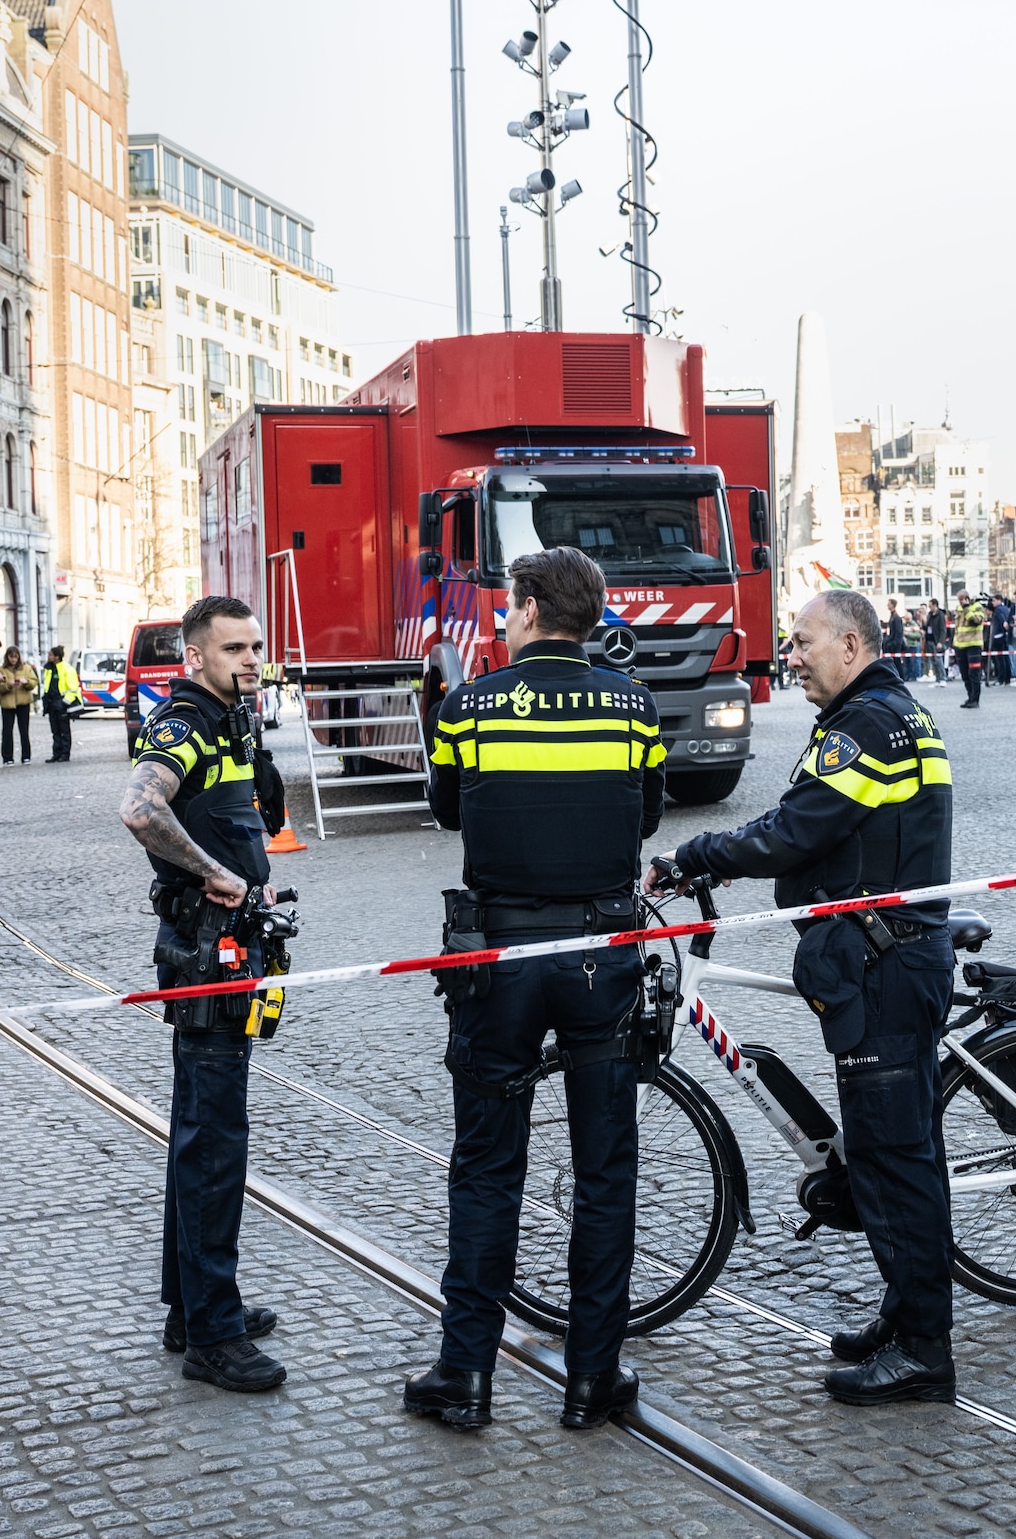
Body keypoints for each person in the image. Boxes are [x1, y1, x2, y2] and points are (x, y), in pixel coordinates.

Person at [651, 587, 958, 1406]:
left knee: (895, 1165)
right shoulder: (886, 711)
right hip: (883, 961)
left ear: (851, 645)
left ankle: (925, 1351)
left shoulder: (866, 725)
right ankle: (904, 1315)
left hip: (885, 969)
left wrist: (698, 854)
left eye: (802, 642)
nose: (791, 655)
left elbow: (796, 829)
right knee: (893, 1155)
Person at [406, 547, 665, 1434]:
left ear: (523, 609)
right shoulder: (632, 703)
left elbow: (446, 807)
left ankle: (465, 1374)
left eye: (506, 604)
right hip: (602, 953)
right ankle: (593, 1377)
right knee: (605, 1170)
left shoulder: (468, 704)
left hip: (499, 957)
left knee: (485, 1166)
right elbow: (649, 813)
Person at [118, 595, 288, 1394]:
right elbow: (140, 806)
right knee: (214, 1140)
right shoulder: (183, 720)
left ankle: (194, 1305)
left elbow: (244, 811)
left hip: (235, 948)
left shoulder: (234, 717)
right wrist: (213, 871)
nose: (249, 658)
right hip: (206, 954)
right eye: (232, 649)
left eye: (255, 646)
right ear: (194, 656)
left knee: (202, 1130)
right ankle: (213, 1337)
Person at [0, 644, 39, 764]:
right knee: (7, 731)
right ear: (7, 657)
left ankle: (26, 756)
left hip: (23, 702)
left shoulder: (26, 668)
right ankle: (7, 757)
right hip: (8, 704)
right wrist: (9, 685)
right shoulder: (1, 670)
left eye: (15, 657)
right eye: (11, 657)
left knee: (24, 730)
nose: (13, 659)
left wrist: (27, 682)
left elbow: (34, 682)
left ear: (19, 657)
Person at [950, 588, 989, 708]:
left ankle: (975, 699)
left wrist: (966, 608)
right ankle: (970, 697)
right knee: (965, 674)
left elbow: (976, 621)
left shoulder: (977, 607)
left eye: (962, 599)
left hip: (973, 646)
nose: (960, 602)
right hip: (960, 646)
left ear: (967, 598)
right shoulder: (958, 609)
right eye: (959, 600)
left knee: (974, 674)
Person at [44, 644, 80, 763]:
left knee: (64, 730)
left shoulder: (67, 669)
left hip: (61, 703)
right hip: (51, 703)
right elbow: (47, 686)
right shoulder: (49, 669)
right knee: (55, 731)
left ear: (57, 657)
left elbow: (73, 688)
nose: (48, 657)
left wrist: (64, 703)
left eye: (50, 655)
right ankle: (56, 753)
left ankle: (65, 754)